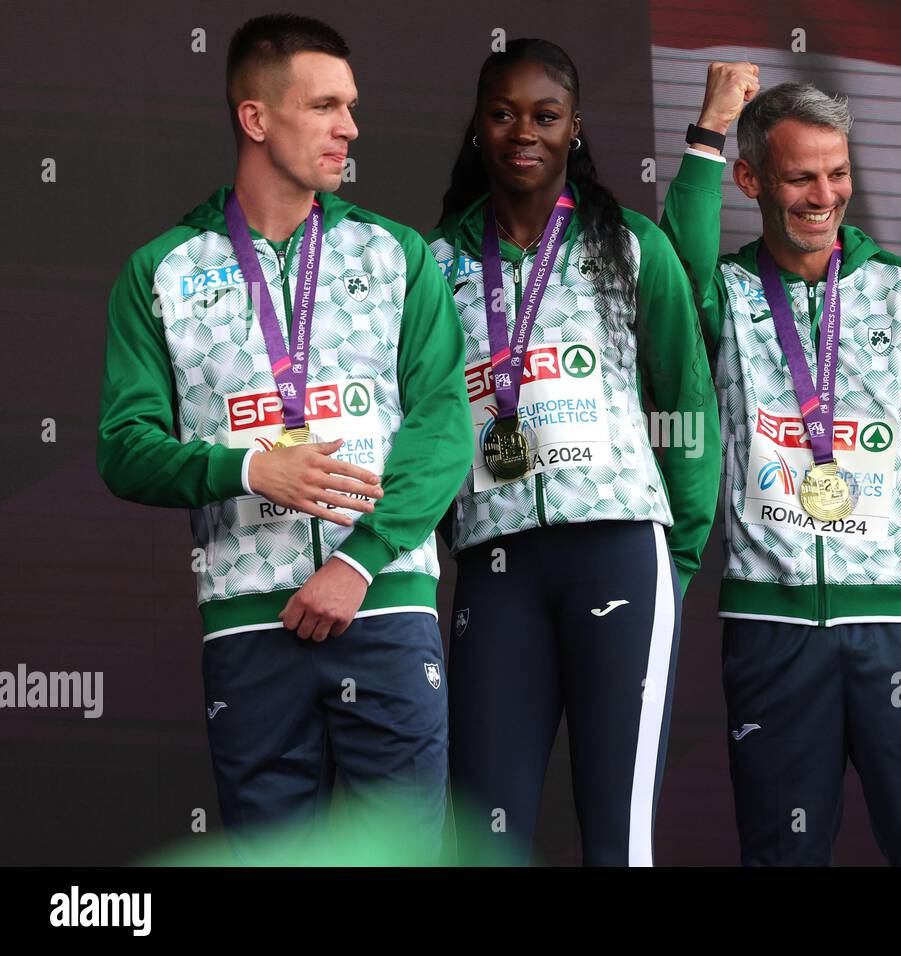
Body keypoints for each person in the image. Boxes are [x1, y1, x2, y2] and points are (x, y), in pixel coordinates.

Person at [97, 14, 471, 859]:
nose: (351, 128)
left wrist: (357, 562)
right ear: (256, 118)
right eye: (326, 106)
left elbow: (444, 428)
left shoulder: (395, 255)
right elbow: (123, 447)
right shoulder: (163, 269)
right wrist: (247, 469)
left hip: (382, 606)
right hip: (247, 622)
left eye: (353, 106)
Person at [660, 63, 901, 866]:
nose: (824, 195)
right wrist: (709, 127)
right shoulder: (725, 291)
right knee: (781, 855)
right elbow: (673, 264)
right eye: (799, 177)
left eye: (838, 172)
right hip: (772, 625)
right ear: (749, 178)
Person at [426, 39, 720, 866]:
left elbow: (686, 407)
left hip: (620, 551)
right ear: (477, 127)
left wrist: (676, 555)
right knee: (483, 839)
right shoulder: (436, 264)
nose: (524, 131)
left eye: (546, 115)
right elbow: (424, 426)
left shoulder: (629, 246)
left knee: (619, 842)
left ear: (576, 128)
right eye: (503, 113)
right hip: (496, 566)